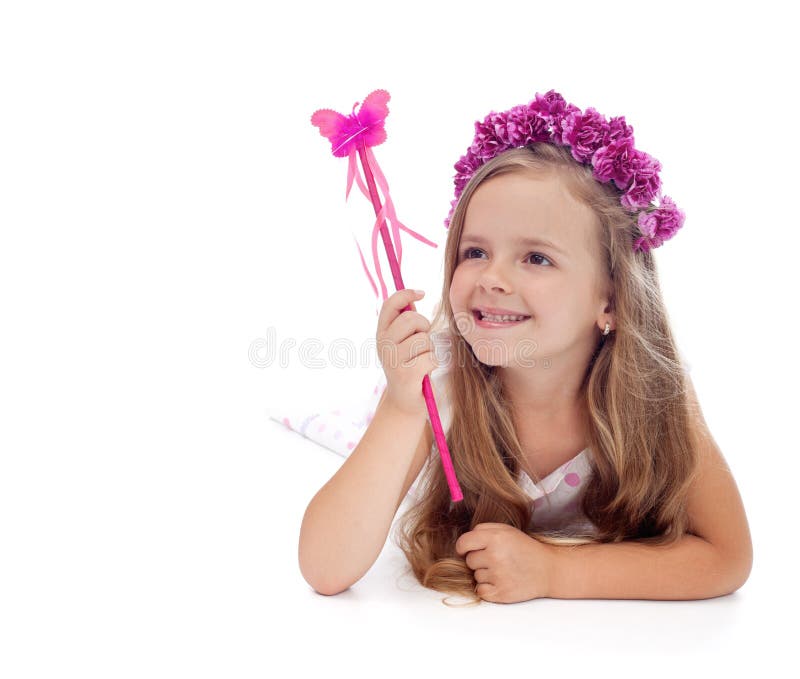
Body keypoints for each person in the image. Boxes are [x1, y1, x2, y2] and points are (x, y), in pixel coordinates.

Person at [298, 90, 752, 606]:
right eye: (475, 251)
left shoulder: (654, 389)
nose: (491, 277)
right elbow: (324, 568)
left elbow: (727, 557)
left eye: (536, 258)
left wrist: (555, 571)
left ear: (613, 299)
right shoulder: (440, 385)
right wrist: (401, 410)